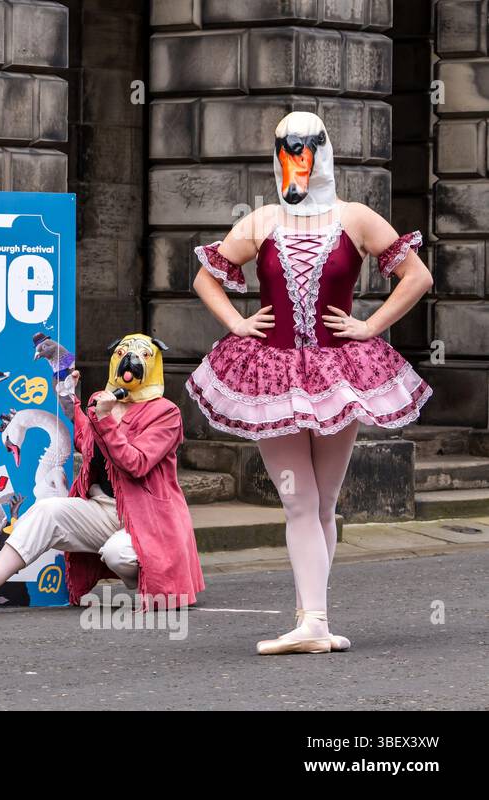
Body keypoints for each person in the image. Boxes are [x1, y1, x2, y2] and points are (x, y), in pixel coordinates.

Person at [188, 111, 433, 655]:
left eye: (305, 146)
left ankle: (313, 620)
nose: (295, 156)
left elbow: (418, 275)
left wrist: (371, 325)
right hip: (273, 373)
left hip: (337, 374)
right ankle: (313, 621)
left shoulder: (356, 217)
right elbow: (207, 276)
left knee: (322, 504)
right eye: (285, 146)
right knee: (301, 503)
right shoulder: (260, 222)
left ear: (324, 150)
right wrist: (235, 322)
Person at [0, 335, 205, 618]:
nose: (131, 360)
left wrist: (106, 419)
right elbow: (84, 439)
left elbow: (136, 464)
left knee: (118, 553)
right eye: (123, 353)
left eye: (142, 355)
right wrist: (68, 393)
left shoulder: (166, 413)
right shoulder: (100, 401)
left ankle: (157, 583)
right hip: (103, 509)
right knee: (46, 510)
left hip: (148, 517)